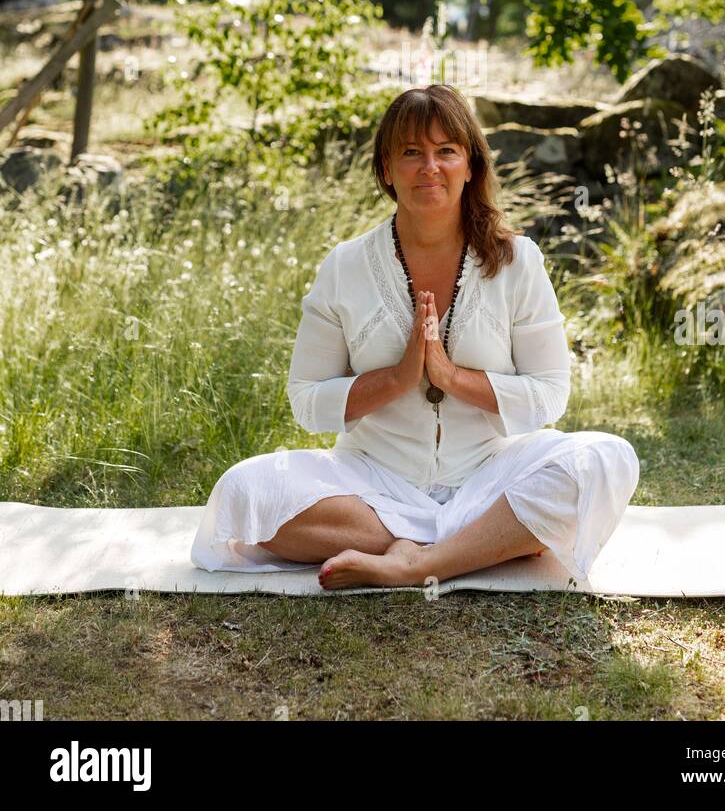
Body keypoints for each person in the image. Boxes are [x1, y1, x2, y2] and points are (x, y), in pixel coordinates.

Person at [190, 83, 640, 590]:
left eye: (446, 151)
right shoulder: (346, 266)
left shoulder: (519, 261)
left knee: (605, 458)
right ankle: (482, 542)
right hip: (371, 484)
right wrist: (399, 378)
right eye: (411, 153)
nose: (430, 167)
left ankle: (416, 562)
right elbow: (306, 402)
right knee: (246, 491)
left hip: (490, 475)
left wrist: (450, 376)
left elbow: (550, 395)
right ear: (386, 169)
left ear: (470, 165)